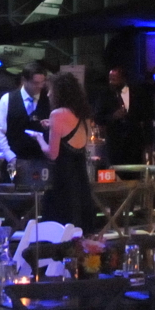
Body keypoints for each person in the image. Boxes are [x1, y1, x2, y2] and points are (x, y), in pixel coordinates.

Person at [37, 72, 96, 231]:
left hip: (62, 181)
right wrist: (52, 126)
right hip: (81, 179)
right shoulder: (83, 115)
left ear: (60, 92)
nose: (48, 94)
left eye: (51, 90)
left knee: (59, 229)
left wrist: (39, 138)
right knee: (79, 228)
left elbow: (52, 154)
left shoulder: (57, 114)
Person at [0, 64, 52, 184]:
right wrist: (10, 157)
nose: (40, 86)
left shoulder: (49, 100)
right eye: (36, 83)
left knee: (41, 200)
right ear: (24, 80)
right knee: (14, 199)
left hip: (42, 163)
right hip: (13, 161)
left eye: (42, 82)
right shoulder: (7, 99)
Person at [99, 66, 144, 165]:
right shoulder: (105, 95)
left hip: (133, 142)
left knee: (134, 173)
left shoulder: (135, 93)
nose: (111, 82)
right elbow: (98, 117)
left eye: (114, 79)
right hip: (115, 142)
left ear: (123, 79)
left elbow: (143, 115)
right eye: (110, 79)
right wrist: (113, 116)